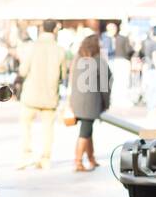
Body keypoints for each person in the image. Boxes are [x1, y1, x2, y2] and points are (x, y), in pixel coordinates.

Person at [17, 19, 67, 169]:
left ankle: (26, 155)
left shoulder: (32, 47)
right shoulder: (60, 50)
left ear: (42, 29)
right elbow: (63, 76)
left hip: (30, 95)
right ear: (54, 30)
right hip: (50, 96)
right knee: (48, 129)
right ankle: (45, 159)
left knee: (25, 126)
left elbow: (23, 70)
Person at [68, 33, 111, 172]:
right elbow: (106, 85)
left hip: (76, 100)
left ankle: (91, 158)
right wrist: (106, 103)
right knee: (85, 131)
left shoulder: (77, 58)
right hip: (91, 102)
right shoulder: (98, 61)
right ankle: (78, 162)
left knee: (88, 130)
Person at [141, 26, 156, 109]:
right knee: (155, 91)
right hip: (154, 70)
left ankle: (150, 109)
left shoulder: (147, 42)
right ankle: (152, 110)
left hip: (147, 68)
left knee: (149, 91)